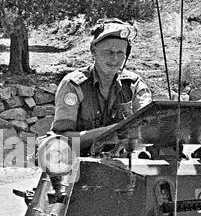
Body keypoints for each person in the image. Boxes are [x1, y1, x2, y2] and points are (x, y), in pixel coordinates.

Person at [51, 20, 153, 152]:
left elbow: (149, 124)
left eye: (120, 53)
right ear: (94, 51)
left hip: (124, 164)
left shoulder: (134, 84)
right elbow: (61, 139)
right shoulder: (74, 85)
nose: (115, 59)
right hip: (80, 164)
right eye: (109, 52)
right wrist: (112, 132)